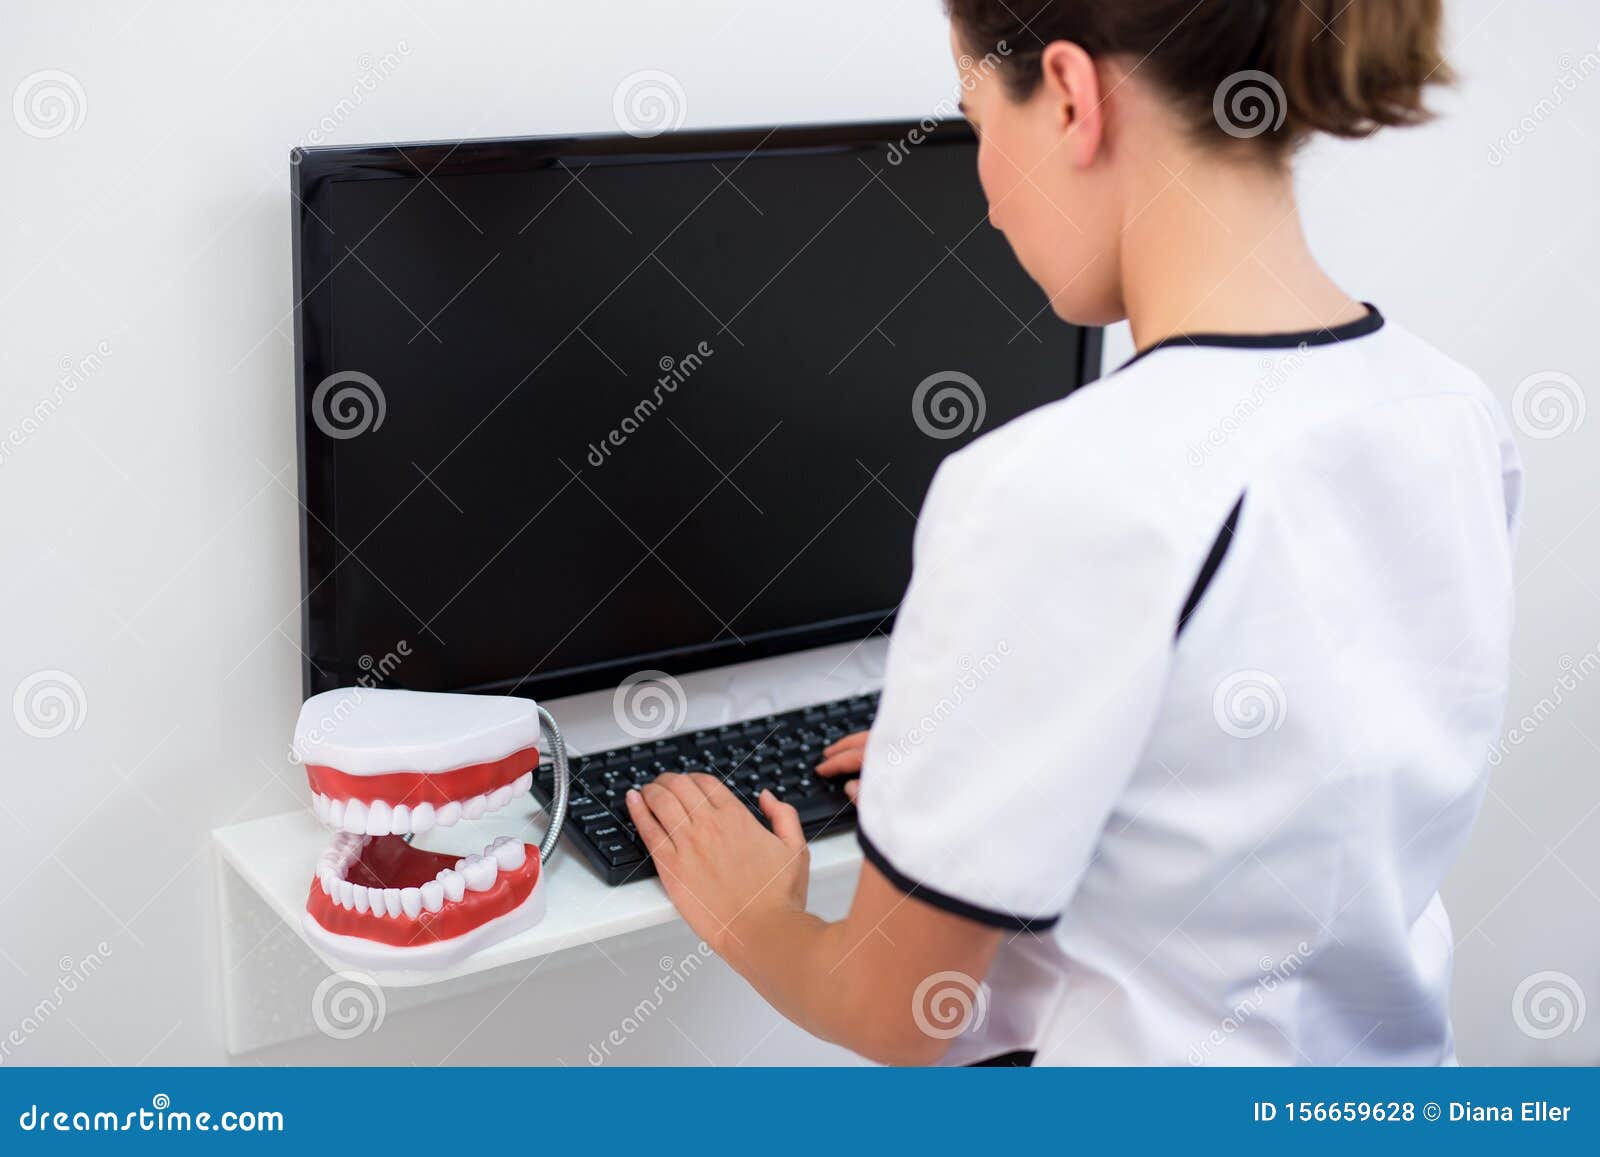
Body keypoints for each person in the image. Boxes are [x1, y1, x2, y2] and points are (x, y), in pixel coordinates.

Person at [627, 0, 1522, 1066]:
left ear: (1066, 96)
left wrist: (752, 914)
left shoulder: (1045, 488)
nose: (989, 201)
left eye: (974, 122)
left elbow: (896, 1012)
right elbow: (1279, 773)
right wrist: (979, 759)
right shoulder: (1451, 410)